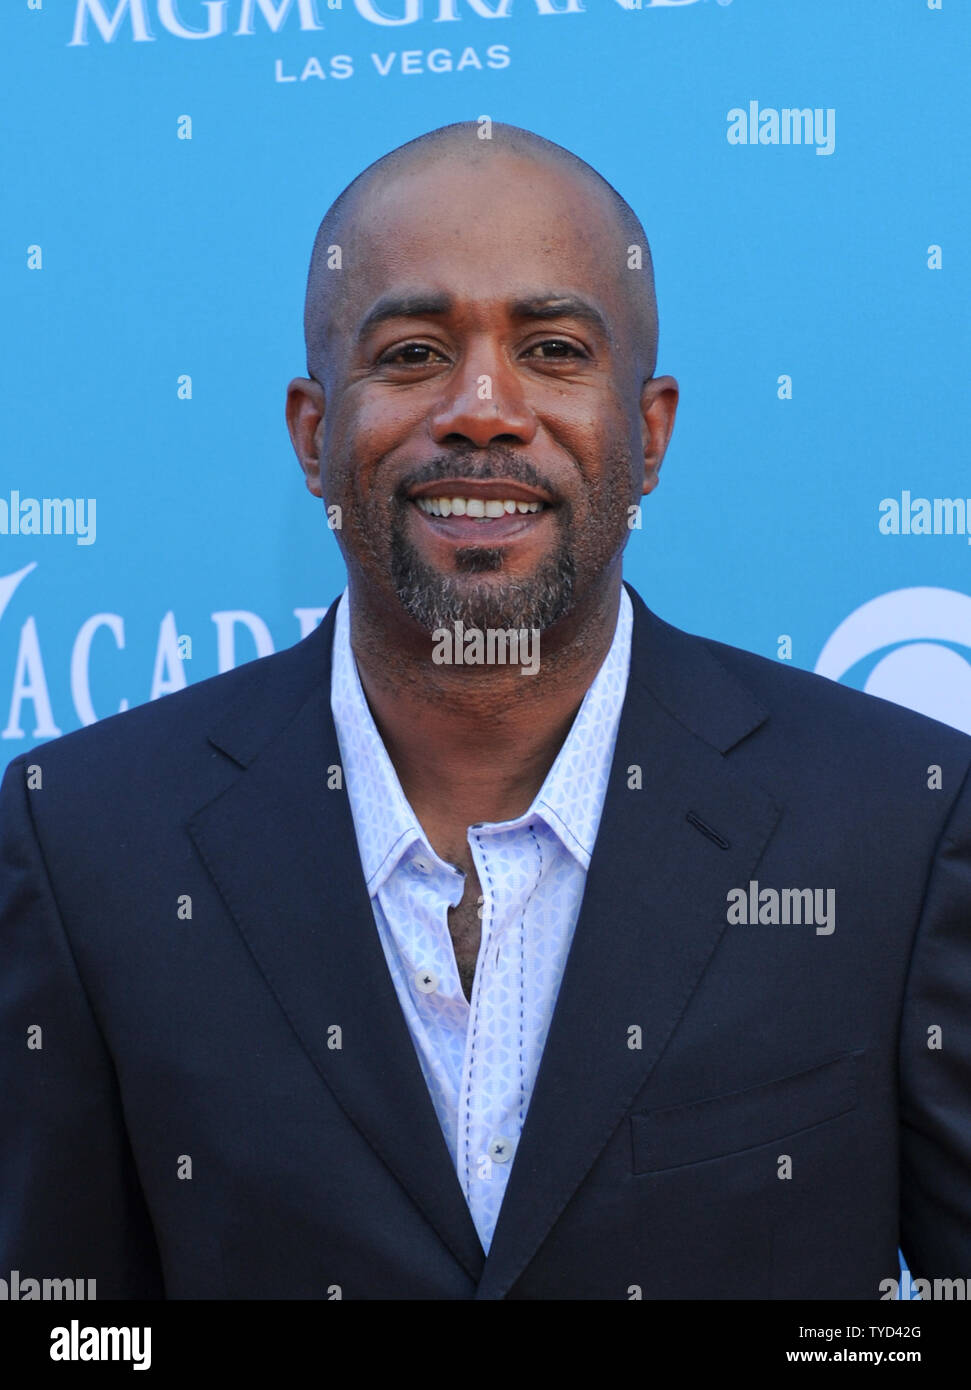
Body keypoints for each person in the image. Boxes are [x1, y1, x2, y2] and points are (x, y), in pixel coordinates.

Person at [1, 122, 969, 1301]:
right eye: (411, 353)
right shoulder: (93, 840)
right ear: (314, 436)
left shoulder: (894, 824)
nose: (480, 408)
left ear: (648, 431)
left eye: (552, 348)